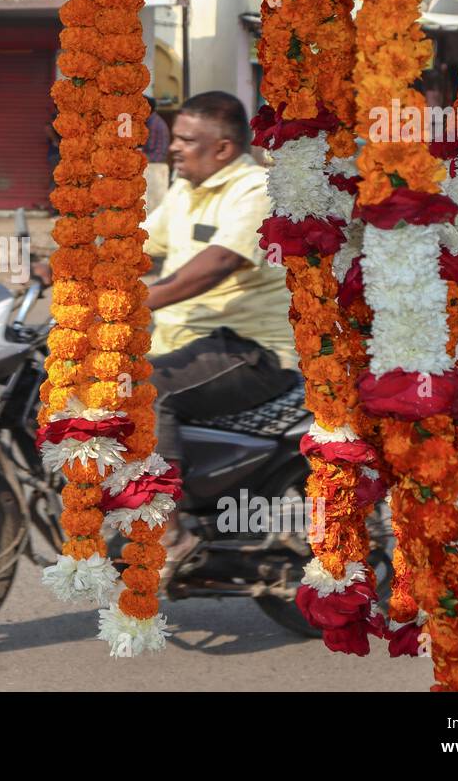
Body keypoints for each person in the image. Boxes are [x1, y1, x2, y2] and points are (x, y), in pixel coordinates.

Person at [141, 91, 298, 579]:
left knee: (140, 392)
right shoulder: (187, 189)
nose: (174, 147)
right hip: (187, 345)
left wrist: (138, 301)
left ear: (224, 148)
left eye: (187, 140)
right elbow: (144, 247)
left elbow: (220, 262)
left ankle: (167, 536)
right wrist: (71, 269)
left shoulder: (256, 189)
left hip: (250, 351)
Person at [142, 95, 171, 212]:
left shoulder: (154, 124)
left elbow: (153, 155)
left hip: (156, 168)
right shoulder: (152, 120)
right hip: (154, 166)